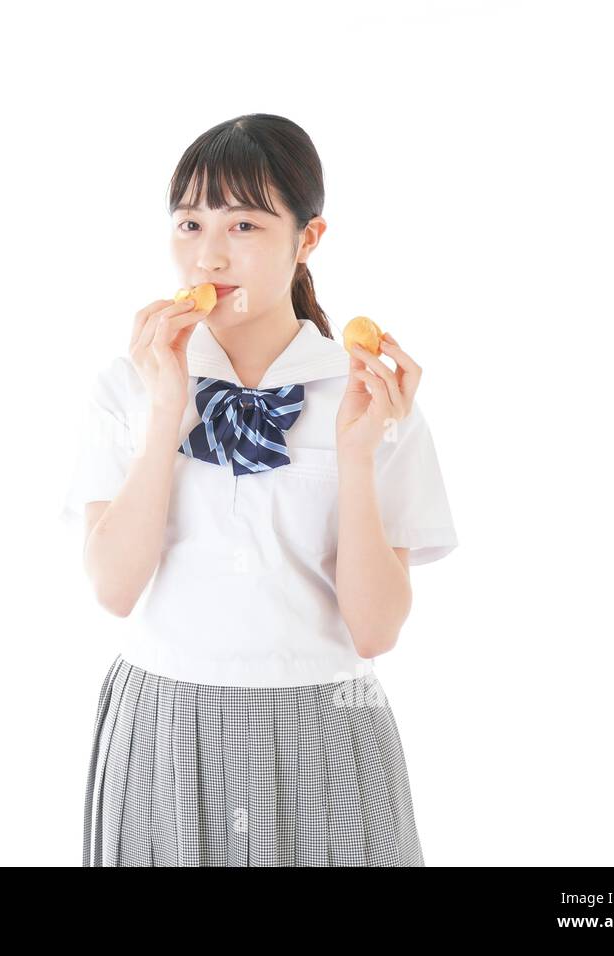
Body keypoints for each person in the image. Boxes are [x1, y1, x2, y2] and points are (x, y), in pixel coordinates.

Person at [59, 114, 458, 866]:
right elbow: (113, 588)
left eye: (244, 223)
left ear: (307, 240)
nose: (209, 255)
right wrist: (167, 410)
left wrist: (357, 454)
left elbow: (375, 631)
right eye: (189, 223)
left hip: (327, 724)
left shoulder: (369, 396)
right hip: (165, 723)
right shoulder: (127, 388)